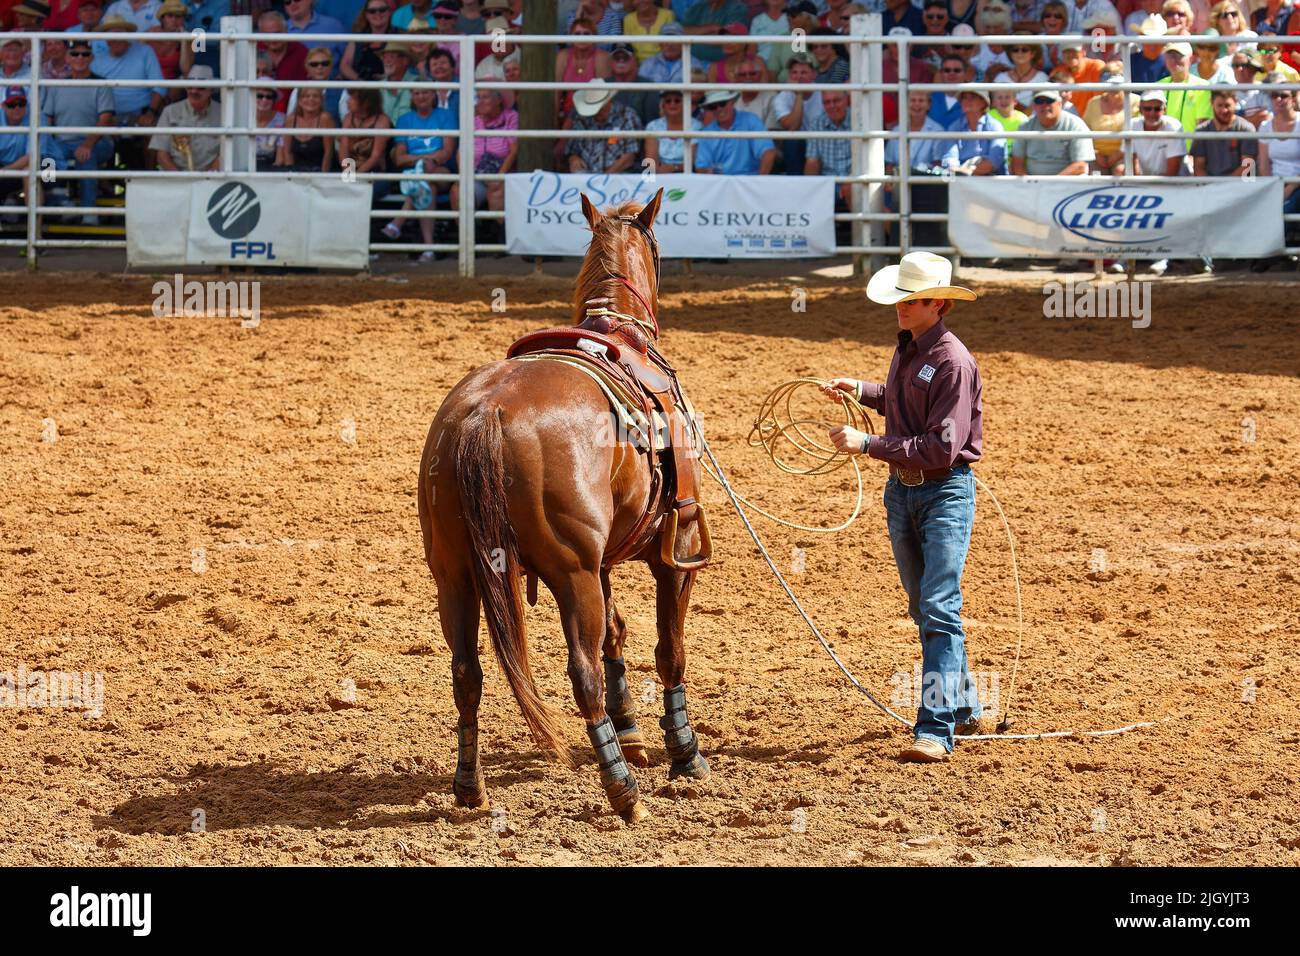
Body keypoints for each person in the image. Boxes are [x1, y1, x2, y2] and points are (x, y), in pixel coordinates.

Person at [821, 251, 985, 763]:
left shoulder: (954, 361)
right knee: (926, 607)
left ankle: (935, 728)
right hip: (906, 492)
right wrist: (865, 390)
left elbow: (940, 446)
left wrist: (867, 445)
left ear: (937, 303)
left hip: (942, 492)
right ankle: (962, 704)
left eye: (909, 300)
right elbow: (905, 400)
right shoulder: (911, 349)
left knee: (936, 607)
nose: (900, 307)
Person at [42, 38, 114, 222]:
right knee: (47, 158)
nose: (80, 57)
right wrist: (47, 145)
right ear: (68, 58)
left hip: (97, 142)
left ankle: (89, 209)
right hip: (62, 142)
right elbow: (47, 119)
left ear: (91, 58)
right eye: (75, 54)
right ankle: (57, 204)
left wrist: (88, 144)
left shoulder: (102, 84)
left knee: (85, 156)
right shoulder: (57, 86)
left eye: (85, 54)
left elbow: (105, 119)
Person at [383, 85, 456, 261]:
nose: (421, 96)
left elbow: (446, 152)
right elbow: (399, 159)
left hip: (440, 170)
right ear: (412, 97)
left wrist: (426, 160)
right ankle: (429, 249)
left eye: (425, 92)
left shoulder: (446, 116)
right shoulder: (404, 120)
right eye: (416, 93)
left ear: (433, 95)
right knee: (427, 186)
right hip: (417, 173)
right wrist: (425, 160)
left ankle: (397, 223)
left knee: (426, 180)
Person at [92, 15, 165, 169]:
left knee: (153, 133)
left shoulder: (145, 51)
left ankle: (148, 176)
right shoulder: (97, 60)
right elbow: (92, 95)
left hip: (141, 112)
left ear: (127, 36)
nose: (116, 39)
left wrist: (150, 113)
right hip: (109, 115)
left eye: (120, 34)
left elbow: (159, 86)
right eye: (111, 35)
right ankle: (104, 184)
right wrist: (104, 118)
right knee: (94, 134)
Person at [449, 87, 515, 245]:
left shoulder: (511, 117)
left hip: (503, 173)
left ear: (498, 100)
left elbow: (514, 150)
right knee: (457, 191)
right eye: (478, 97)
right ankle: (470, 241)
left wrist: (500, 176)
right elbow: (461, 151)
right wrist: (462, 175)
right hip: (476, 173)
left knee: (496, 190)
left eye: (485, 97)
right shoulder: (475, 121)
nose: (480, 101)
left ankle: (502, 240)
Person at [1257, 77, 1300, 260]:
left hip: (1297, 184)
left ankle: (1271, 254)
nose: (1279, 100)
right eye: (1275, 96)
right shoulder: (1265, 126)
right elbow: (1264, 164)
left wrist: (1289, 188)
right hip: (1275, 183)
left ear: (1293, 98)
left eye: (1283, 95)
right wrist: (1271, 189)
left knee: (1287, 209)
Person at [150, 63, 221, 170]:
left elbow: (226, 153)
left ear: (211, 90)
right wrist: (180, 180)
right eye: (190, 87)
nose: (194, 91)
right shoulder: (170, 111)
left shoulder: (223, 113)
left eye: (200, 88)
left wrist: (208, 180)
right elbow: (161, 154)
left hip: (213, 181)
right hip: (175, 181)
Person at [1010, 87, 1096, 173]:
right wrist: (1027, 183)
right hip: (1031, 184)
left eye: (1049, 101)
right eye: (1039, 101)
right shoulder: (1025, 126)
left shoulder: (1076, 125)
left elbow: (1080, 166)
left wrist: (1052, 183)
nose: (1044, 105)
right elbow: (1017, 162)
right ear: (1034, 106)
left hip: (1069, 183)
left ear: (1060, 104)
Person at [566, 78, 642, 174]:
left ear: (608, 102)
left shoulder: (627, 116)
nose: (596, 113)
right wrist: (574, 159)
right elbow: (572, 150)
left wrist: (606, 177)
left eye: (599, 109)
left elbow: (630, 156)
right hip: (586, 175)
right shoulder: (581, 119)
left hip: (620, 176)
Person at [695, 89, 778, 175]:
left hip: (748, 181)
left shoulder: (751, 120)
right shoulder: (707, 132)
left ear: (732, 102)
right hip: (722, 183)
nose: (719, 109)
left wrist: (759, 181)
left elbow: (768, 153)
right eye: (713, 106)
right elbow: (701, 168)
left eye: (722, 103)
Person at [772, 52, 823, 174]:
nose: (798, 77)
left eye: (803, 72)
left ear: (814, 75)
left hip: (821, 140)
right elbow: (793, 127)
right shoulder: (781, 97)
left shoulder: (823, 92)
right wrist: (799, 95)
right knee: (792, 140)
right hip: (798, 143)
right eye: (794, 73)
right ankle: (796, 185)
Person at [804, 87, 855, 206]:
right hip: (827, 182)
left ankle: (859, 225)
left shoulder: (859, 121)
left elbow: (866, 161)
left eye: (836, 100)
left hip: (854, 178)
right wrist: (808, 189)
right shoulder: (816, 125)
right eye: (827, 102)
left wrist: (852, 181)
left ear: (846, 100)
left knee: (852, 190)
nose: (832, 106)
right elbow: (812, 163)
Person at [940, 87, 1007, 174]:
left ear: (983, 102)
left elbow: (995, 160)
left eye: (972, 97)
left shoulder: (995, 126)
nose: (967, 101)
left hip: (990, 179)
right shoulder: (954, 126)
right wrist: (959, 171)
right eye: (964, 98)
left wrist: (968, 171)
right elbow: (949, 157)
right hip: (960, 178)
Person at [1191, 88, 1257, 175]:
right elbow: (1198, 167)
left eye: (1227, 105)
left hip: (1239, 186)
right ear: (1211, 103)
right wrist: (1209, 187)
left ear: (1235, 102)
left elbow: (1247, 167)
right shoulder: (1201, 131)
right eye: (1220, 105)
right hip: (1209, 186)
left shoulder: (1246, 129)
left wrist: (1223, 187)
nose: (1224, 110)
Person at [1158, 42, 1212, 144]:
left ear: (1191, 59)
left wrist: (1196, 153)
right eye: (1170, 56)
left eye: (1179, 56)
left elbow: (1203, 126)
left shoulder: (1202, 87)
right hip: (1162, 153)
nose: (1174, 60)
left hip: (1190, 154)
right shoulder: (1158, 86)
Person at [1084, 70, 1137, 173]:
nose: (1114, 88)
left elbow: (1138, 132)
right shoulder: (1093, 102)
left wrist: (1118, 154)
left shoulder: (1136, 101)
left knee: (1120, 170)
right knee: (1092, 173)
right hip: (1096, 154)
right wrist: (1095, 153)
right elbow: (1085, 130)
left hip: (1125, 152)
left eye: (1118, 84)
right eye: (1111, 84)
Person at [257, 9, 308, 113]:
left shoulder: (301, 51)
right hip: (258, 113)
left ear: (286, 30)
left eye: (277, 33)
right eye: (267, 34)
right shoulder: (253, 50)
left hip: (294, 112)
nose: (273, 39)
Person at [276, 84, 335, 171]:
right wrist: (292, 173)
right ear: (299, 101)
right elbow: (287, 152)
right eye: (306, 96)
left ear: (321, 100)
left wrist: (322, 176)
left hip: (319, 171)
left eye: (315, 96)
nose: (311, 99)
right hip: (296, 172)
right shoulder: (291, 119)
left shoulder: (325, 118)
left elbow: (328, 153)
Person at [645, 86, 700, 173]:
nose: (672, 104)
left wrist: (674, 168)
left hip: (687, 174)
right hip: (659, 173)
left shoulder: (696, 126)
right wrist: (659, 170)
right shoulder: (653, 126)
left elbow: (692, 159)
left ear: (685, 104)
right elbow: (651, 160)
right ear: (663, 105)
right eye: (668, 101)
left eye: (677, 101)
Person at [680, 0, 750, 65]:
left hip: (724, 64)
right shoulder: (697, 8)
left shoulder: (737, 8)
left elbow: (729, 38)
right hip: (692, 63)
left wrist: (694, 36)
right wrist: (711, 28)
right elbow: (682, 31)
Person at [342, 0, 395, 82]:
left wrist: (384, 78)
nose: (378, 14)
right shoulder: (358, 37)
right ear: (366, 15)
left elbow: (403, 65)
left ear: (389, 12)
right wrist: (360, 80)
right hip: (360, 87)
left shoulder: (398, 35)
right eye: (372, 11)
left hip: (389, 85)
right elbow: (345, 65)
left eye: (382, 10)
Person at [285, 0, 347, 68]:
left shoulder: (333, 26)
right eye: (287, 2)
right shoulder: (280, 30)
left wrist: (340, 76)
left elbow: (349, 60)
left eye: (297, 0)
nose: (292, 4)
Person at [610, 42, 658, 125]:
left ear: (635, 60)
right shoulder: (602, 84)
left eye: (626, 57)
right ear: (610, 62)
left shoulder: (648, 87)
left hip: (638, 135)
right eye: (616, 58)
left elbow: (652, 123)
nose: (621, 60)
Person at [1060, 40, 1106, 115]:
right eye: (1067, 51)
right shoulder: (1058, 72)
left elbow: (1100, 99)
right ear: (1062, 55)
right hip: (1069, 120)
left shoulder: (1096, 67)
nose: (1070, 54)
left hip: (1091, 119)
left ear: (1083, 52)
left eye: (1075, 51)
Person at [1230, 51, 1271, 127]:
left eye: (1244, 65)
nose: (1239, 69)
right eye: (1235, 65)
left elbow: (1267, 117)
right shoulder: (1228, 94)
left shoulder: (1265, 90)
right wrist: (1257, 117)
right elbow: (1229, 125)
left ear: (1254, 68)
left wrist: (1240, 121)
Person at [929, 54, 970, 128]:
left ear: (966, 74)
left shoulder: (974, 102)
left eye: (957, 70)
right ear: (941, 74)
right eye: (947, 70)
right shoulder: (929, 100)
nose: (952, 73)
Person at [1130, 12, 1172, 84]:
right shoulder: (1130, 61)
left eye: (1157, 40)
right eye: (1148, 40)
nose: (1152, 44)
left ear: (1164, 42)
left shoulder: (1171, 63)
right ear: (1142, 40)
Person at [253, 77, 284, 171]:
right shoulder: (241, 118)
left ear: (274, 100)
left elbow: (280, 159)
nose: (264, 100)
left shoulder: (282, 120)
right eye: (259, 96)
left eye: (269, 97)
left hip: (271, 167)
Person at [639, 20, 684, 84]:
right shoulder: (648, 64)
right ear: (660, 43)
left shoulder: (694, 64)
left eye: (674, 39)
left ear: (683, 43)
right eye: (666, 39)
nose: (670, 44)